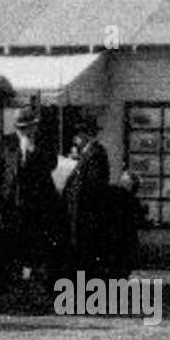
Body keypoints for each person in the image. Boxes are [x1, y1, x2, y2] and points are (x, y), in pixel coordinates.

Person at [3, 106, 66, 283]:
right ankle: (17, 277)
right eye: (23, 128)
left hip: (39, 203)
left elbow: (51, 164)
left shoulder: (43, 143)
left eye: (30, 127)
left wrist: (33, 151)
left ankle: (37, 276)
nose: (27, 131)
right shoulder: (7, 143)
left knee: (38, 243)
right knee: (16, 243)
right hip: (15, 202)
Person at [62, 115, 111, 276]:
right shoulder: (88, 154)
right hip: (82, 216)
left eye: (78, 134)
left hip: (86, 216)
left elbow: (92, 187)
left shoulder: (95, 154)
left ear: (85, 135)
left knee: (85, 254)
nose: (75, 139)